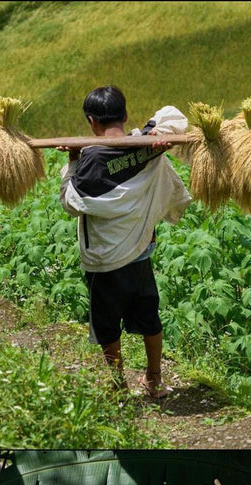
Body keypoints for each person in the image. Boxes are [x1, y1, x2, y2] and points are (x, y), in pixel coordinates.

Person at [58, 86, 191, 399]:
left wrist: (73, 160)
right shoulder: (146, 144)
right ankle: (154, 379)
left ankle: (118, 386)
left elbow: (72, 203)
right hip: (141, 250)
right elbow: (174, 115)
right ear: (126, 115)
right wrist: (157, 132)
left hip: (105, 260)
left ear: (91, 121)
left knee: (107, 325)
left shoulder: (90, 160)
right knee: (149, 316)